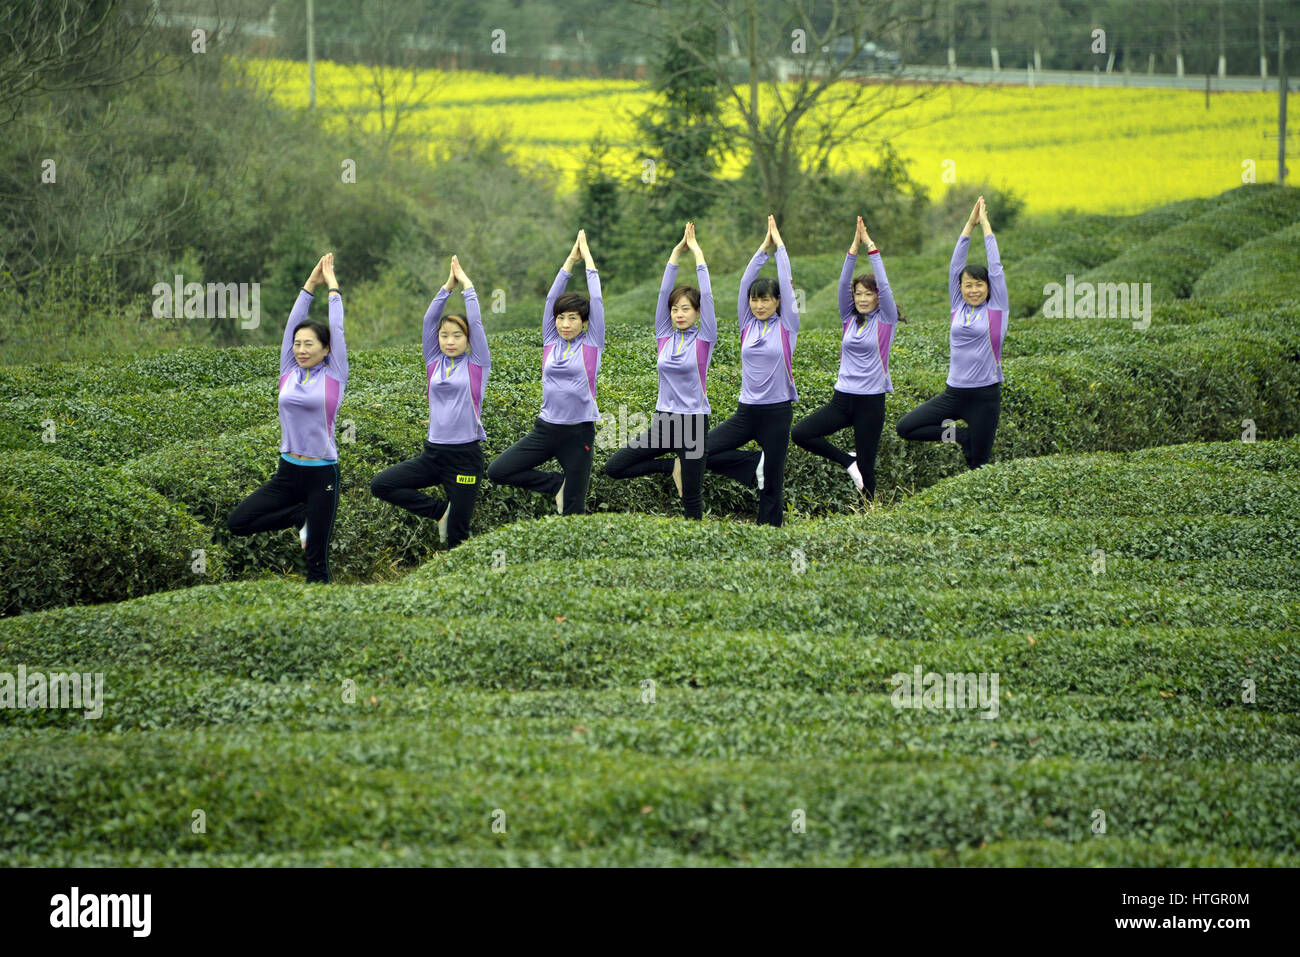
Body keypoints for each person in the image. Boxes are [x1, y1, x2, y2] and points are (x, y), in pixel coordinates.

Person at [227, 253, 346, 583]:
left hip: (322, 473)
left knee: (316, 565)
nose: (301, 349)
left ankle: (320, 616)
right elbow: (294, 322)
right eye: (298, 344)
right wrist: (310, 284)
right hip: (287, 472)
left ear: (326, 350)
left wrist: (332, 286)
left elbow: (336, 327)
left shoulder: (334, 375)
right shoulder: (289, 371)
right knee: (238, 522)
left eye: (310, 344)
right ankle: (300, 516)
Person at [370, 256, 489, 549]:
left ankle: (458, 587)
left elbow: (475, 320)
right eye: (444, 336)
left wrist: (467, 287)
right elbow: (428, 320)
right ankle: (439, 513)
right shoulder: (434, 363)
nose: (450, 341)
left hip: (465, 457)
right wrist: (446, 287)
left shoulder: (477, 364)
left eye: (457, 336)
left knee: (458, 537)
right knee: (382, 484)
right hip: (433, 454)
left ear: (467, 339)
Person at [487, 230, 604, 515]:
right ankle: (555, 485)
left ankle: (574, 553)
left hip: (578, 433)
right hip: (546, 428)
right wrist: (569, 261)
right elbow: (552, 297)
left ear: (584, 321)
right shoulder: (551, 341)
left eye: (572, 318)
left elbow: (597, 300)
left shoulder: (591, 344)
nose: (565, 323)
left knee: (574, 510)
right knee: (499, 470)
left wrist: (587, 259)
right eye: (561, 317)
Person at [603, 222, 715, 519]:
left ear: (697, 312)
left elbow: (709, 295)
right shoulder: (664, 337)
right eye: (675, 309)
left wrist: (698, 254)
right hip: (665, 420)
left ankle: (695, 551)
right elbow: (664, 291)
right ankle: (669, 466)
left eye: (686, 309)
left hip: (693, 424)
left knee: (692, 498)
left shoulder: (704, 340)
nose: (679, 314)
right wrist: (676, 254)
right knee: (614, 467)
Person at [791, 216, 902, 498]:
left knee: (867, 469)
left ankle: (869, 514)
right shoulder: (848, 319)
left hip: (871, 402)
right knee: (801, 434)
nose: (863, 298)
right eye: (859, 294)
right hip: (842, 399)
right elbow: (843, 284)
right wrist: (853, 248)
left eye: (869, 294)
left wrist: (871, 247)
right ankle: (846, 460)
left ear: (878, 298)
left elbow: (886, 286)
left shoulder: (886, 320)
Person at [896, 196, 1006, 469]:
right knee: (907, 428)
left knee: (978, 465)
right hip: (953, 394)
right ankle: (961, 436)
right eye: (968, 285)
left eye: (979, 285)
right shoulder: (958, 306)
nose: (973, 290)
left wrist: (986, 227)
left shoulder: (996, 310)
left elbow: (996, 267)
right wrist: (969, 225)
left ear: (989, 288)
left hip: (985, 397)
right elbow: (956, 266)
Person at [703, 214, 798, 527]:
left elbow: (785, 280)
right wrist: (763, 249)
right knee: (704, 452)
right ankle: (754, 463)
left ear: (777, 302)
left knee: (773, 483)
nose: (759, 306)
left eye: (765, 300)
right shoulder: (747, 325)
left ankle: (768, 533)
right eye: (755, 301)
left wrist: (780, 247)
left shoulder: (787, 325)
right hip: (747, 411)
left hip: (777, 412)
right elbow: (745, 283)